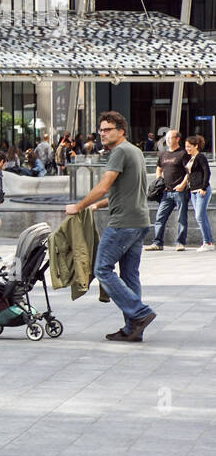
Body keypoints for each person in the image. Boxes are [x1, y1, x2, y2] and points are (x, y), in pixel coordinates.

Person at [63, 111, 156, 341]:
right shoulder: (135, 151)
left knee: (102, 269)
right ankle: (133, 329)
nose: (102, 134)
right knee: (130, 275)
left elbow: (104, 186)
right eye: (101, 130)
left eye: (108, 129)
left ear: (121, 131)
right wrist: (98, 206)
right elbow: (128, 190)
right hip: (140, 221)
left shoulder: (119, 152)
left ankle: (139, 312)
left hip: (123, 223)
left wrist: (79, 205)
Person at [145, 128, 191, 251]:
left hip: (180, 192)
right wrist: (160, 181)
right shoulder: (163, 154)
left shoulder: (183, 154)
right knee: (160, 218)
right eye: (167, 138)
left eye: (171, 138)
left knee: (181, 218)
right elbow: (159, 168)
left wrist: (182, 185)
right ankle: (157, 243)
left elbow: (189, 171)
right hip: (166, 192)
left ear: (177, 139)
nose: (168, 140)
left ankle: (180, 242)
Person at [180, 135, 212, 252]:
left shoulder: (200, 157)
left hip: (201, 191)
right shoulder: (190, 158)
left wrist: (203, 188)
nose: (187, 148)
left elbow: (207, 172)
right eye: (186, 146)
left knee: (199, 216)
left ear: (196, 146)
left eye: (189, 146)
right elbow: (190, 175)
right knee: (201, 216)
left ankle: (207, 242)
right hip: (193, 191)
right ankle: (208, 241)